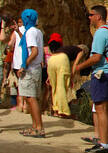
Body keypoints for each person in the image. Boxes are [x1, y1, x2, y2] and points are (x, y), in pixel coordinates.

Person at [73, 4, 108, 153]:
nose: (89, 17)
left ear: (98, 16)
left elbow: (97, 57)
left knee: (100, 108)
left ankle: (103, 144)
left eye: (91, 15)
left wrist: (79, 67)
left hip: (102, 73)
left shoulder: (100, 33)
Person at [16, 8, 46, 138]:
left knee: (31, 98)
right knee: (30, 98)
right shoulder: (37, 31)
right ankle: (35, 127)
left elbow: (34, 51)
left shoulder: (30, 32)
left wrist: (24, 65)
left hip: (31, 69)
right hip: (36, 68)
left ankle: (39, 128)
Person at [46, 34, 74, 118]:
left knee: (54, 87)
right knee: (62, 87)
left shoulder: (50, 46)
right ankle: (63, 111)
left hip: (51, 60)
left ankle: (56, 110)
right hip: (62, 59)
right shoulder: (63, 49)